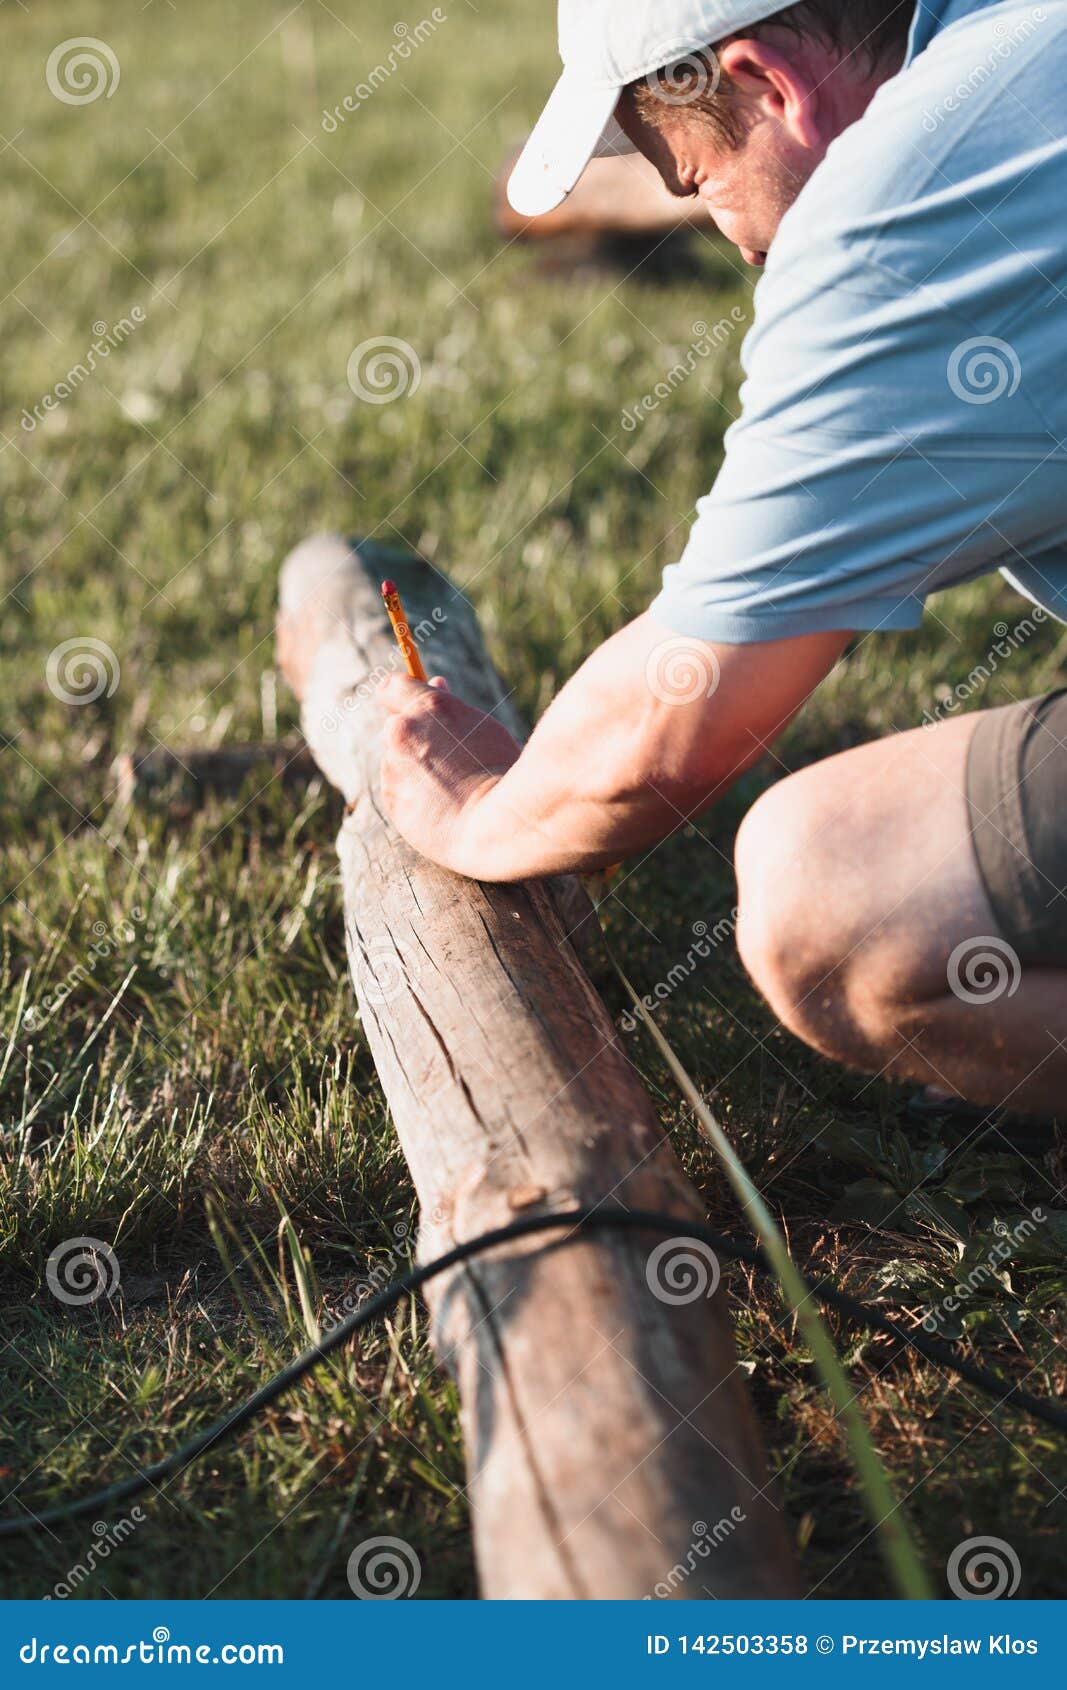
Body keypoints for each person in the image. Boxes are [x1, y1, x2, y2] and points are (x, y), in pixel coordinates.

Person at [379, 0, 1067, 1115]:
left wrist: (467, 810)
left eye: (693, 181)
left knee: (827, 886)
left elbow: (669, 726)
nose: (734, 243)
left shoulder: (898, 207)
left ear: (768, 82)